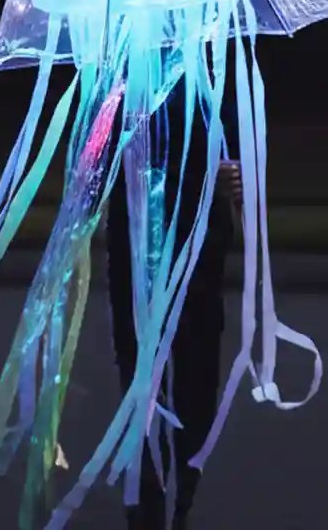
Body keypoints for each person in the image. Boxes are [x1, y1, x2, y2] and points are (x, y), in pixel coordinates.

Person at [106, 58, 243, 530]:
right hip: (139, 234)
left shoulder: (212, 67)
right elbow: (101, 151)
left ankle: (184, 492)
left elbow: (227, 140)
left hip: (200, 242)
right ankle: (146, 500)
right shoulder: (120, 70)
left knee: (195, 365)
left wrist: (231, 172)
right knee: (142, 364)